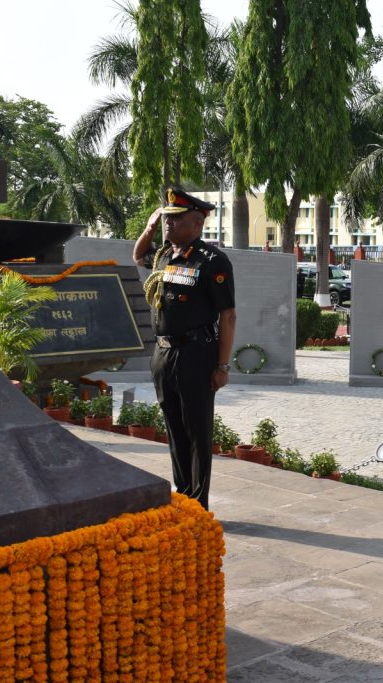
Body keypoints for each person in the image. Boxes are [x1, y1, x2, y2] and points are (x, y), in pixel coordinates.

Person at [133, 187, 236, 510]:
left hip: (196, 354)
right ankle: (183, 495)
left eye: (175, 220)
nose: (168, 225)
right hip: (164, 353)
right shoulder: (165, 255)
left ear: (196, 223)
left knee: (197, 430)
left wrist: (221, 367)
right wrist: (149, 228)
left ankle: (198, 504)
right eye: (166, 220)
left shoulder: (213, 261)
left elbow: (228, 315)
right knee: (175, 428)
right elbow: (137, 256)